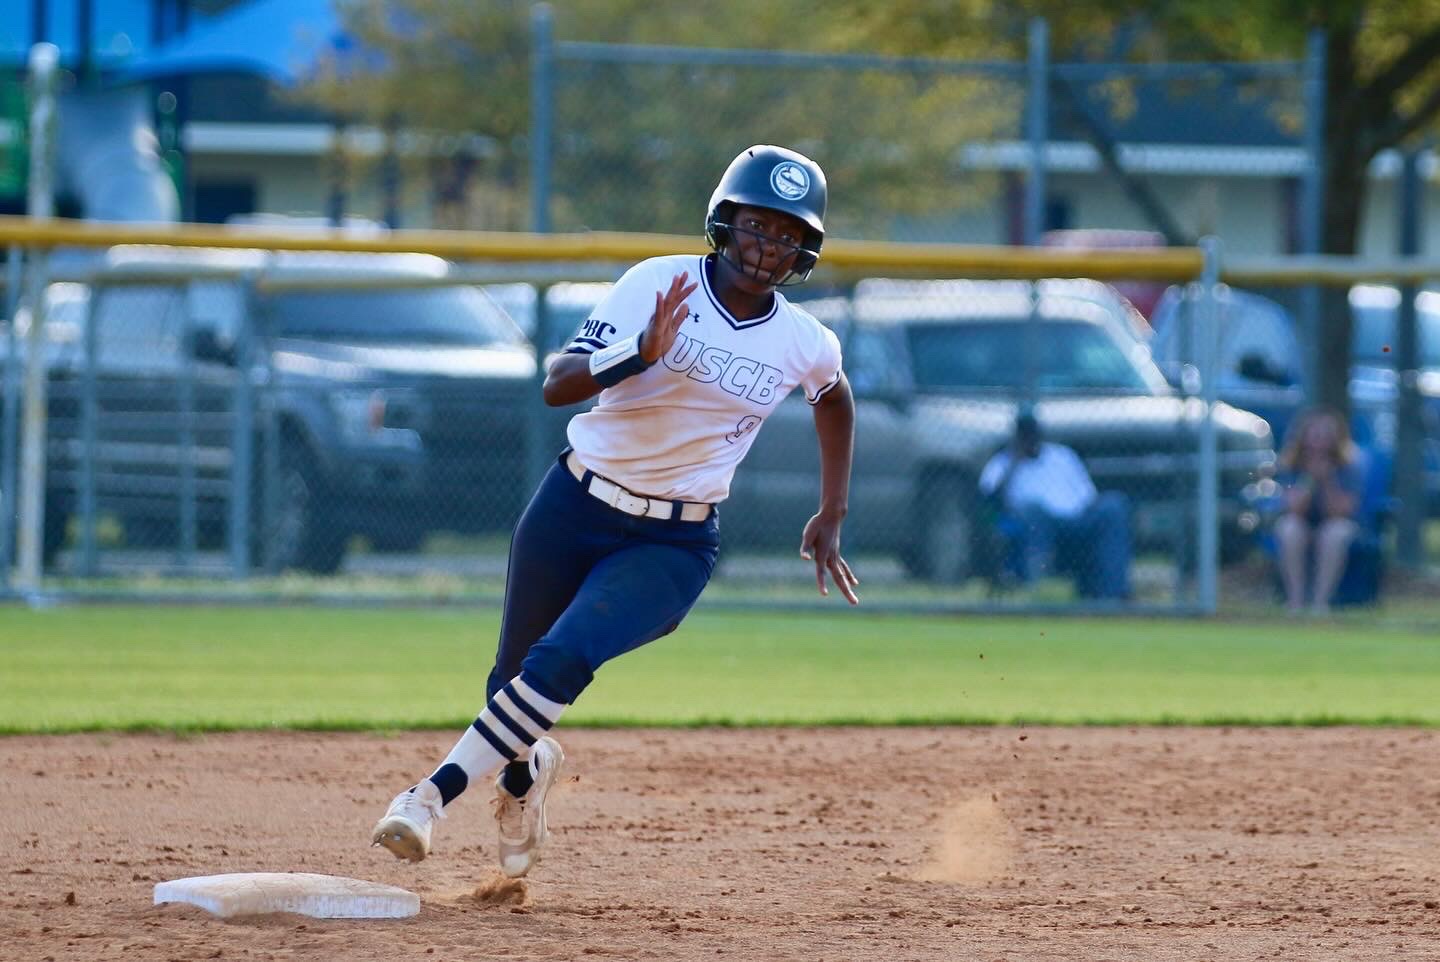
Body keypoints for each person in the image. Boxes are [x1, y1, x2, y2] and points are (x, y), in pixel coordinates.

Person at [370, 145, 859, 878]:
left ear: (806, 251)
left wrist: (832, 510)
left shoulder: (805, 341)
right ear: (724, 223)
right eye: (758, 225)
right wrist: (637, 352)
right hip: (572, 504)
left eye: (790, 235)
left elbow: (835, 398)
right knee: (511, 683)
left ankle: (425, 800)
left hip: (673, 542)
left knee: (561, 660)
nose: (770, 247)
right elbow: (558, 384)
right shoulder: (656, 284)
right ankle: (522, 779)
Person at [978, 411, 1131, 600]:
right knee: (1035, 512)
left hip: (1077, 520)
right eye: (1024, 435)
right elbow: (991, 499)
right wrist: (1014, 464)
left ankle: (1112, 596)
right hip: (1035, 525)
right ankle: (1038, 593)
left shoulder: (1062, 455)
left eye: (1032, 434)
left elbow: (1089, 496)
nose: (1029, 440)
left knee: (1113, 506)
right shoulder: (1002, 463)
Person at [1273, 407, 1364, 614]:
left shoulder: (1349, 466)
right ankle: (1295, 602)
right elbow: (1293, 508)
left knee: (1334, 533)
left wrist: (1328, 481)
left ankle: (1320, 603)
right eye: (1314, 435)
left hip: (1335, 523)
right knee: (1289, 529)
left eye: (1325, 436)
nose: (1318, 443)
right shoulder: (1291, 465)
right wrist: (1309, 480)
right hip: (1302, 521)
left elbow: (1343, 510)